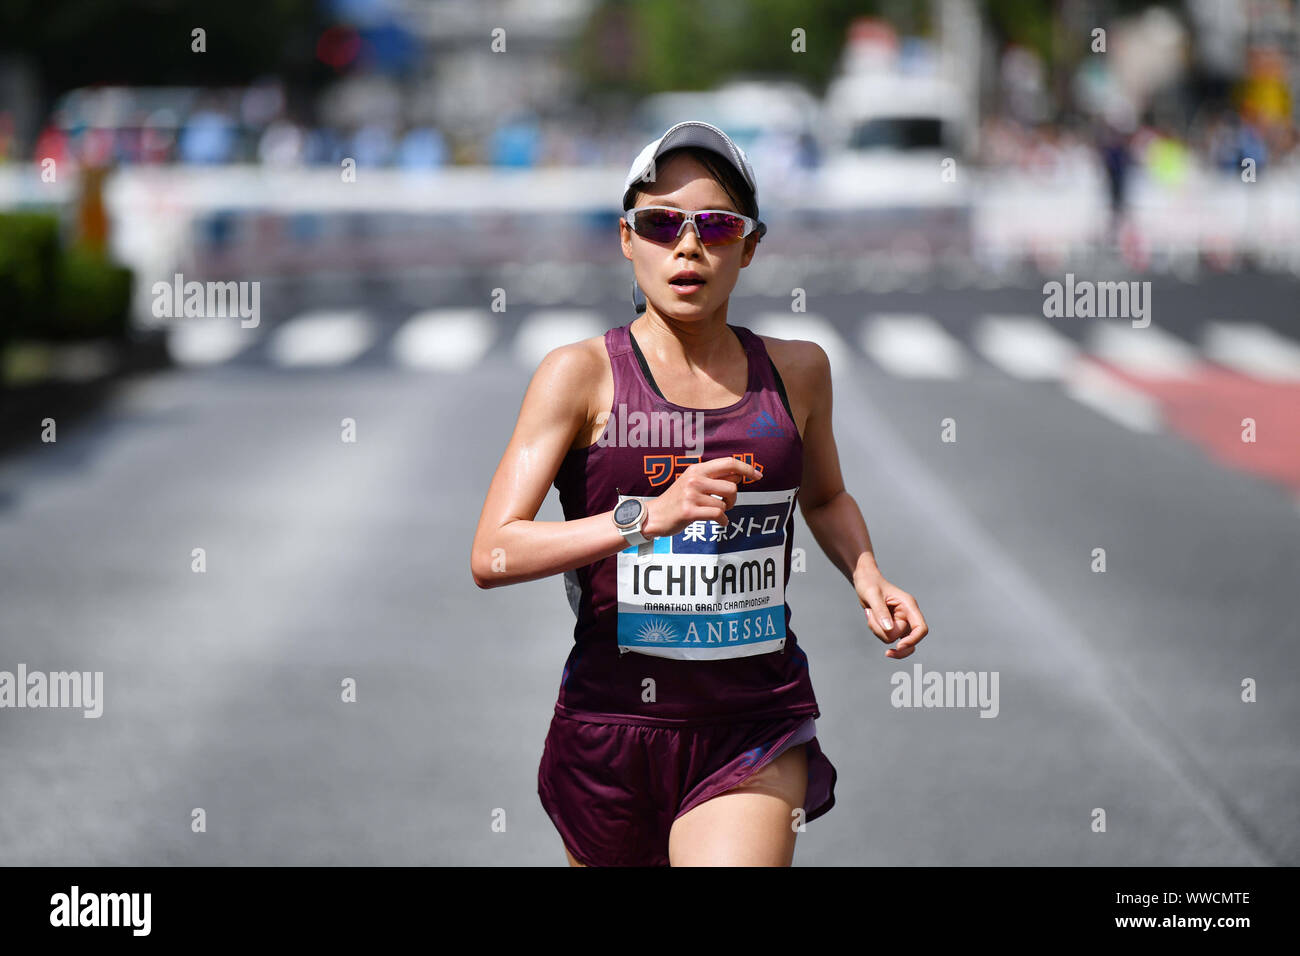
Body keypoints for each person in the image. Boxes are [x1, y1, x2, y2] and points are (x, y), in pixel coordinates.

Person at [470, 121, 928, 866]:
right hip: (610, 726)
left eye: (715, 225)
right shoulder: (579, 376)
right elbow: (493, 551)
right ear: (626, 239)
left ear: (749, 247)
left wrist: (867, 572)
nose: (688, 247)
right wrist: (646, 516)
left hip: (752, 724)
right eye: (660, 224)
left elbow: (825, 498)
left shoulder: (799, 372)